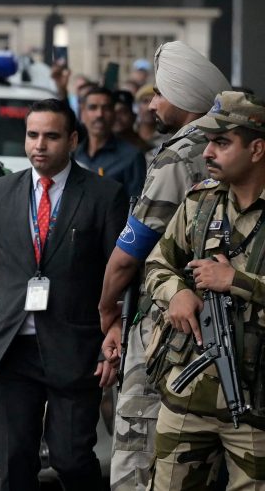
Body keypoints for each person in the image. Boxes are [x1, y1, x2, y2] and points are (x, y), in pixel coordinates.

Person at [0, 98, 126, 491]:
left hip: (74, 347)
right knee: (14, 464)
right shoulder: (2, 191)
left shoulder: (103, 195)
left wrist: (116, 333)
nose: (39, 145)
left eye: (51, 136)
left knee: (71, 459)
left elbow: (121, 273)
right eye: (32, 135)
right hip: (12, 351)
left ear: (73, 140)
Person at [96, 40, 230, 491]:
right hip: (225, 322)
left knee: (138, 449)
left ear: (185, 97)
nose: (152, 104)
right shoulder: (229, 147)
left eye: (159, 93)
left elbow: (129, 253)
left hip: (166, 326)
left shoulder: (180, 155)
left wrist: (107, 308)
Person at [140, 91, 265, 489]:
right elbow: (156, 261)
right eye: (208, 141)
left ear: (257, 148)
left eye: (222, 142)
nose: (208, 151)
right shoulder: (201, 202)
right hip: (187, 397)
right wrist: (177, 292)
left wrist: (238, 282)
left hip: (256, 404)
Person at [75, 87, 147, 200]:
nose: (99, 114)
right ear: (82, 114)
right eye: (92, 108)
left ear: (114, 114)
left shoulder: (132, 157)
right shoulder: (74, 154)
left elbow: (136, 208)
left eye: (106, 108)